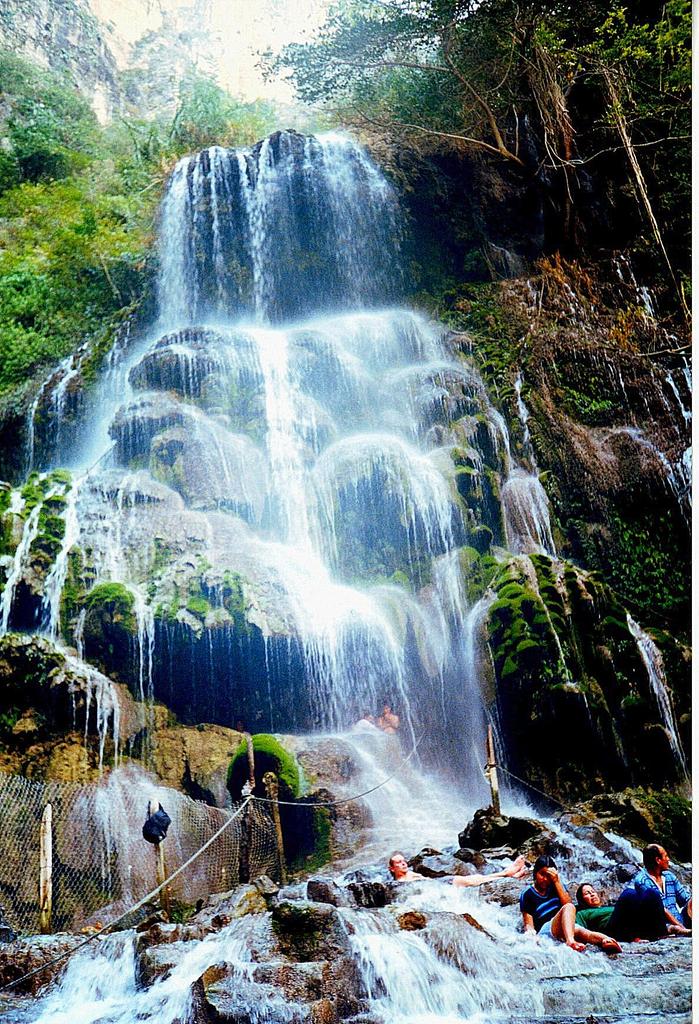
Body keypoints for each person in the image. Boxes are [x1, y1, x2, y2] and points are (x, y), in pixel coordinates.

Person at [520, 855, 621, 954]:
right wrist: (533, 939)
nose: (546, 879)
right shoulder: (528, 894)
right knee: (569, 907)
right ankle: (570, 941)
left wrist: (556, 881)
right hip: (546, 931)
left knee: (584, 933)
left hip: (564, 926)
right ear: (535, 873)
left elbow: (568, 907)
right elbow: (529, 925)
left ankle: (607, 941)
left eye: (549, 876)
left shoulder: (557, 885)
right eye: (542, 874)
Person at [629, 844, 691, 935]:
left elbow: (685, 899)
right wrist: (680, 926)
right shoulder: (642, 881)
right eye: (665, 856)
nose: (668, 859)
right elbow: (662, 910)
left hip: (680, 920)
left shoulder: (669, 876)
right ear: (658, 860)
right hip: (660, 925)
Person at [576, 881, 667, 941]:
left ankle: (661, 933)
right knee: (629, 893)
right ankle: (634, 938)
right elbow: (578, 930)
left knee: (651, 893)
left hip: (633, 924)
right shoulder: (582, 913)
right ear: (581, 900)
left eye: (593, 891)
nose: (592, 894)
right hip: (611, 931)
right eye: (587, 893)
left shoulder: (610, 907)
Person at [388, 850, 528, 886]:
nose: (404, 863)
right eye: (399, 863)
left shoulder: (410, 875)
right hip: (438, 887)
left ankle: (506, 873)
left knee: (474, 880)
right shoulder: (398, 883)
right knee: (474, 880)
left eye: (403, 861)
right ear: (392, 868)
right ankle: (507, 874)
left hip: (440, 883)